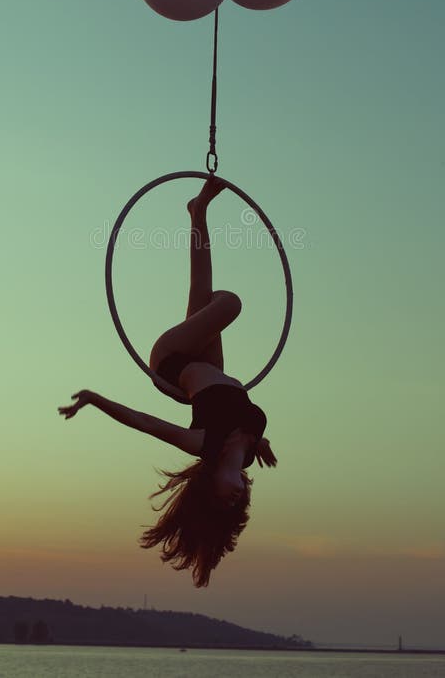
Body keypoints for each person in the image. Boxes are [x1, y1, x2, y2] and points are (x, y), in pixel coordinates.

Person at [58, 175, 277, 587]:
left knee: (228, 302)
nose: (234, 499)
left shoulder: (202, 443)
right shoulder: (249, 451)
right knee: (203, 286)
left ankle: (199, 211)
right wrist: (259, 440)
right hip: (212, 365)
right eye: (237, 503)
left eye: (221, 500)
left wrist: (93, 398)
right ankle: (198, 211)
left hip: (174, 363)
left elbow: (144, 422)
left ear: (209, 483)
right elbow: (248, 428)